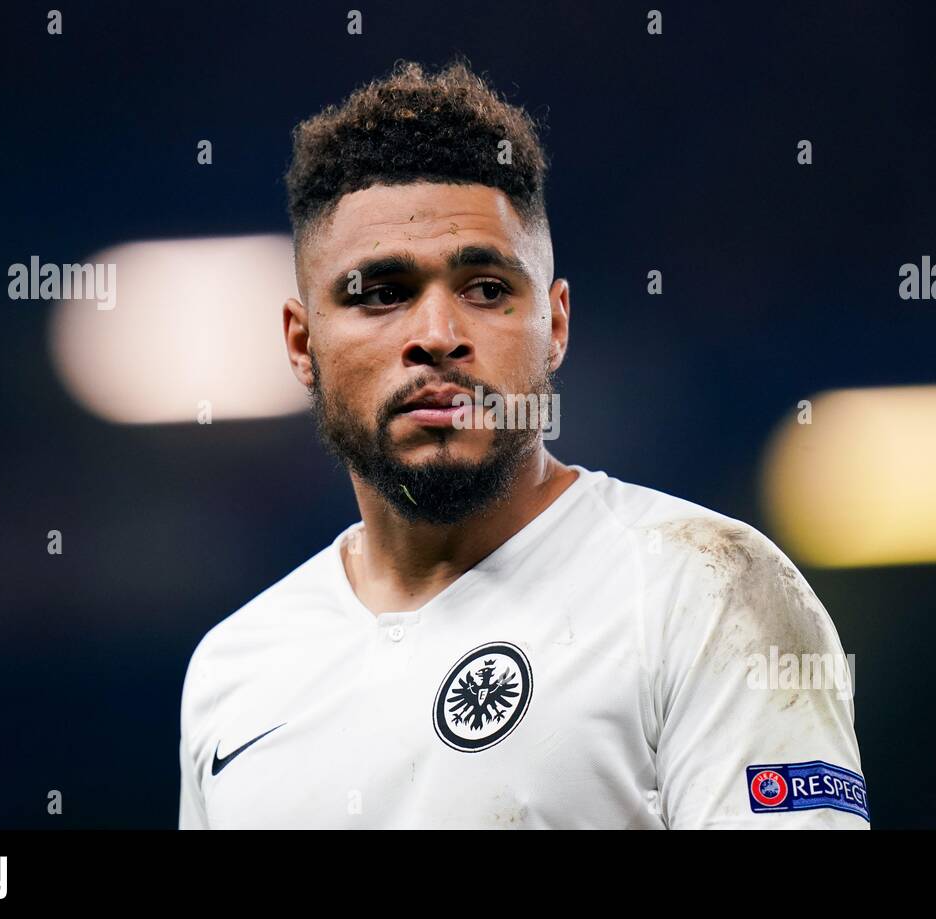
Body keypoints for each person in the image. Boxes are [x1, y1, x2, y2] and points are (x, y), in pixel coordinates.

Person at [179, 57, 867, 829]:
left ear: (556, 325)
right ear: (302, 342)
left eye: (486, 289)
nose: (438, 336)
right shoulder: (232, 670)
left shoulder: (702, 588)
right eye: (381, 294)